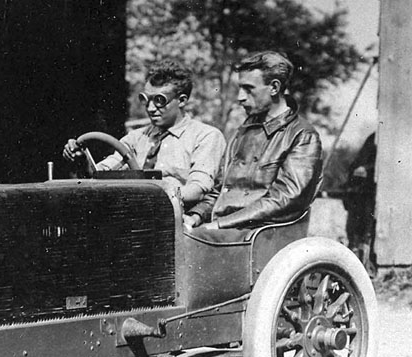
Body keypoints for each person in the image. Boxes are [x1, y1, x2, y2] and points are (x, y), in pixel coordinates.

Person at [184, 51, 322, 242]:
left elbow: (284, 198)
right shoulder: (242, 132)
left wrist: (219, 224)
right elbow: (219, 190)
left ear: (274, 87)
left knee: (189, 241)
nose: (240, 97)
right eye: (240, 88)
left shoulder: (302, 135)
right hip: (225, 229)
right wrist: (195, 216)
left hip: (261, 234)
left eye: (249, 89)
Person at [62, 60, 226, 206]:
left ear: (182, 100)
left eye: (159, 100)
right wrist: (83, 159)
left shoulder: (205, 136)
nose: (150, 108)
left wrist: (155, 197)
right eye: (146, 99)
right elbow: (101, 176)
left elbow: (197, 189)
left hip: (178, 216)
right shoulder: (135, 138)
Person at [342, 132, 377, 272]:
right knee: (354, 231)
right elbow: (356, 165)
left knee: (367, 230)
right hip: (359, 194)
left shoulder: (382, 138)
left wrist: (366, 170)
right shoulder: (372, 138)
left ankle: (366, 263)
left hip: (370, 193)